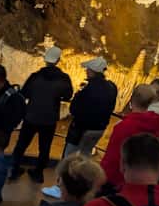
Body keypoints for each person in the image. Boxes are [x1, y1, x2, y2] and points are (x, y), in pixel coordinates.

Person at [43, 57, 119, 198]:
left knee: (68, 159)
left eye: (87, 69)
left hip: (81, 129)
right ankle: (81, 187)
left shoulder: (87, 89)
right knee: (85, 157)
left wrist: (78, 95)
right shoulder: (111, 87)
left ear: (92, 71)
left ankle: (61, 188)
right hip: (99, 129)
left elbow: (74, 109)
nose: (86, 71)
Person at [10, 47, 73, 183]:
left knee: (21, 144)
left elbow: (25, 93)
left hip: (31, 116)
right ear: (58, 60)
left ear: (46, 60)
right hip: (49, 119)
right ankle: (38, 173)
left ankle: (14, 170)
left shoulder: (35, 76)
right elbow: (68, 95)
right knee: (44, 148)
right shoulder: (63, 79)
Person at [99, 84, 159, 191]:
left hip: (116, 179)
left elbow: (113, 157)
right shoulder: (158, 121)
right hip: (140, 176)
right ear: (150, 102)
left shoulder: (124, 126)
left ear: (131, 98)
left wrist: (102, 174)